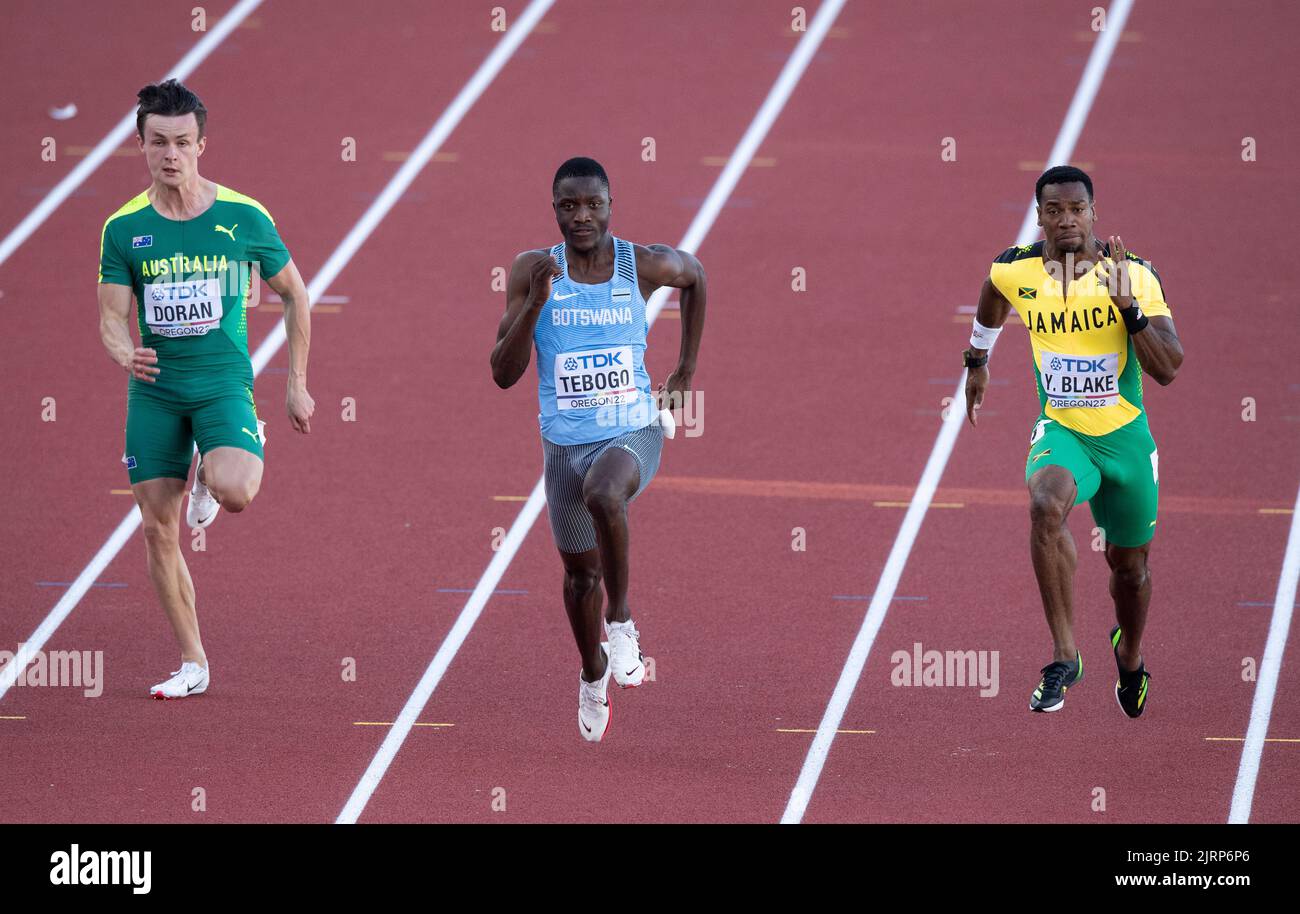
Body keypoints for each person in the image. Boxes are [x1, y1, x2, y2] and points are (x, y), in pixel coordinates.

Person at [97, 79, 315, 699]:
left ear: (202, 146)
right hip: (156, 391)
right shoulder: (124, 229)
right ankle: (193, 661)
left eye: (183, 142)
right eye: (159, 142)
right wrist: (123, 352)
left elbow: (296, 294)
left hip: (221, 383)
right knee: (157, 527)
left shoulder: (243, 216)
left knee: (236, 489)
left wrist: (295, 386)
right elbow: (112, 315)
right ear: (140, 145)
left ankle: (213, 457)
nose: (171, 154)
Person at [491, 157, 706, 741]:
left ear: (611, 206)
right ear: (554, 210)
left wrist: (685, 367)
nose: (581, 216)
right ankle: (592, 673)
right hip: (563, 446)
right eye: (569, 206)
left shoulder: (642, 264)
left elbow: (696, 275)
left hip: (632, 428)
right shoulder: (532, 270)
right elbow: (502, 374)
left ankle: (623, 621)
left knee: (606, 491)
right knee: (579, 578)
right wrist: (534, 303)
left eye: (593, 205)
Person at [962, 165, 1183, 716]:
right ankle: (1065, 655)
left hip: (1126, 442)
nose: (1066, 221)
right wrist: (977, 359)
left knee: (1129, 572)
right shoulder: (1016, 270)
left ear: (1093, 213)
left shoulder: (1133, 274)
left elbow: (1169, 369)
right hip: (1063, 431)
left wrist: (1127, 307)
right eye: (1054, 211)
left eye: (1076, 209)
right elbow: (992, 294)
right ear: (1039, 217)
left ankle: (1128, 655)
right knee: (1044, 503)